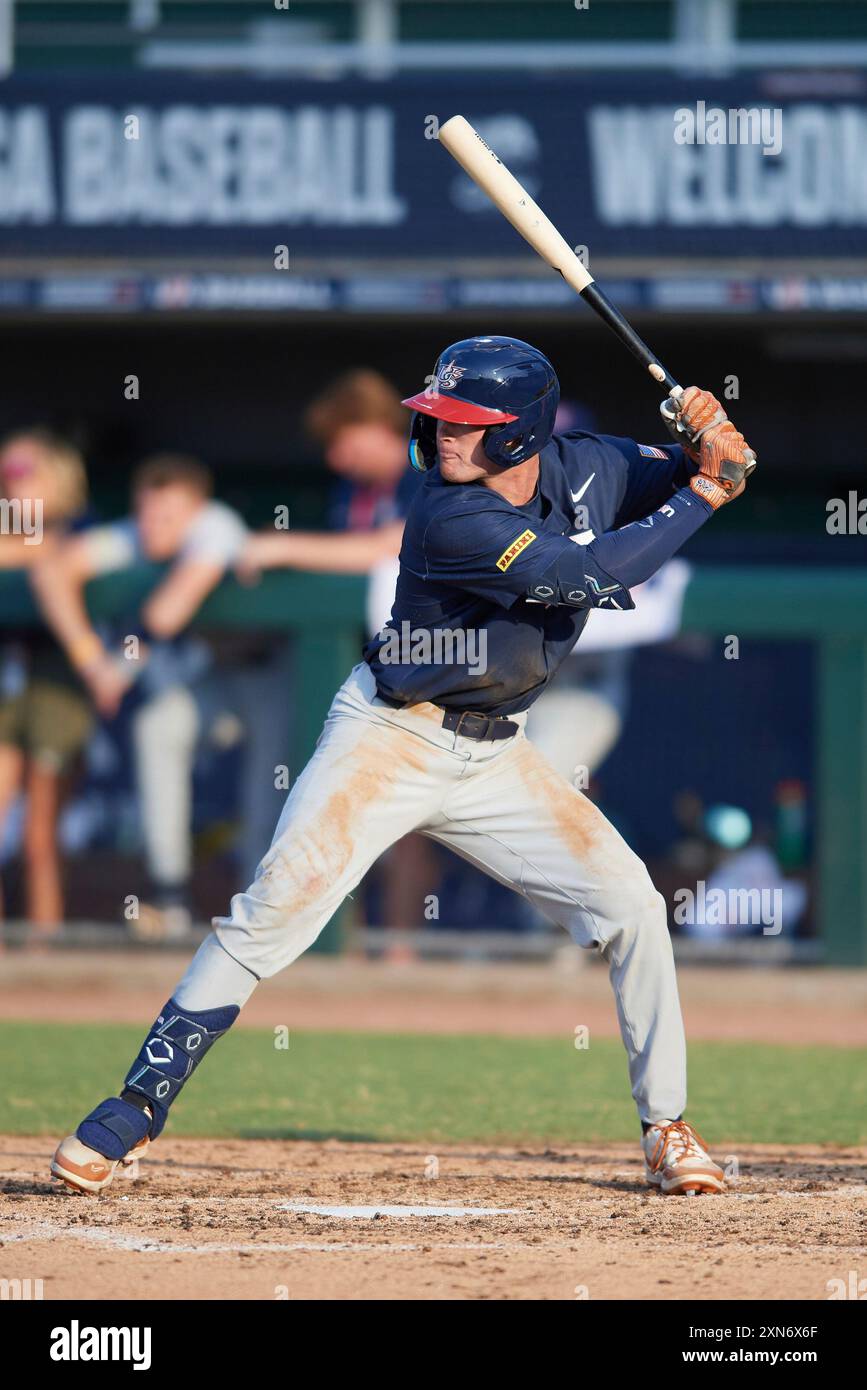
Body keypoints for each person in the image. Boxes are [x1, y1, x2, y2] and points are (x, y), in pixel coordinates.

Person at [51, 335, 756, 1198]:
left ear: (519, 434)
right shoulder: (447, 514)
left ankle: (666, 1126)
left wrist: (705, 440)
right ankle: (135, 1107)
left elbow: (675, 477)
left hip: (500, 753)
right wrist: (707, 489)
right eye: (438, 418)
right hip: (390, 738)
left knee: (634, 907)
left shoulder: (588, 465)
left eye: (465, 423)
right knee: (271, 912)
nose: (442, 435)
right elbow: (586, 576)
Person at [31, 454, 252, 938]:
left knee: (271, 782)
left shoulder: (216, 525)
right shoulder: (138, 531)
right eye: (148, 513)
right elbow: (50, 573)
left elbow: (171, 607)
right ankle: (169, 897)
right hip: (205, 686)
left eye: (168, 516)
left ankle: (274, 912)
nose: (153, 526)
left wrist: (117, 670)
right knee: (157, 728)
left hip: (268, 675)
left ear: (196, 508)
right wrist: (90, 659)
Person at [0, 429, 93, 934]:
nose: (9, 483)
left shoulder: (78, 521)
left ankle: (45, 954)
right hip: (8, 675)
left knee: (40, 834)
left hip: (60, 681)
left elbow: (50, 549)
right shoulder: (11, 520)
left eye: (21, 471)